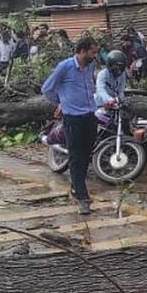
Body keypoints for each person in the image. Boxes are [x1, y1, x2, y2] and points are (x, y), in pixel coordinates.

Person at [42, 37, 100, 214]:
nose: (95, 55)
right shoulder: (65, 67)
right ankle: (82, 197)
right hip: (73, 118)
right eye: (92, 52)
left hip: (90, 115)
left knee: (85, 155)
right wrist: (61, 102)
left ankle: (76, 188)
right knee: (76, 156)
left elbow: (90, 86)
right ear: (82, 51)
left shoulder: (89, 67)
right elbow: (47, 88)